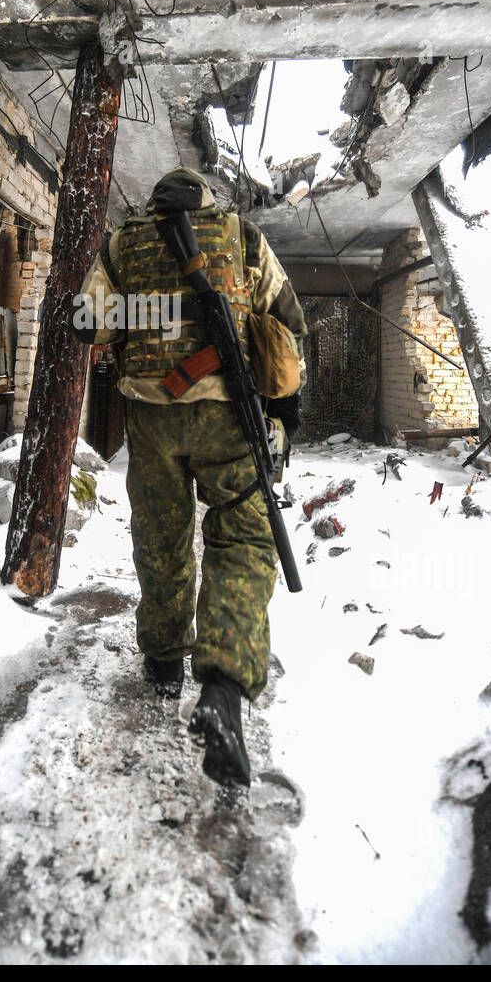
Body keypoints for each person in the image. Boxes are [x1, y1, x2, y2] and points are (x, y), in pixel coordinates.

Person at [75, 167, 306, 787]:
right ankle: (224, 685)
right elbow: (288, 322)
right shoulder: (244, 237)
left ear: (153, 207)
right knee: (244, 539)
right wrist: (284, 408)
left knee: (161, 534)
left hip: (150, 418)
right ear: (208, 202)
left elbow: (88, 322)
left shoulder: (122, 243)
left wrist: (141, 316)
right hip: (230, 415)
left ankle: (162, 659)